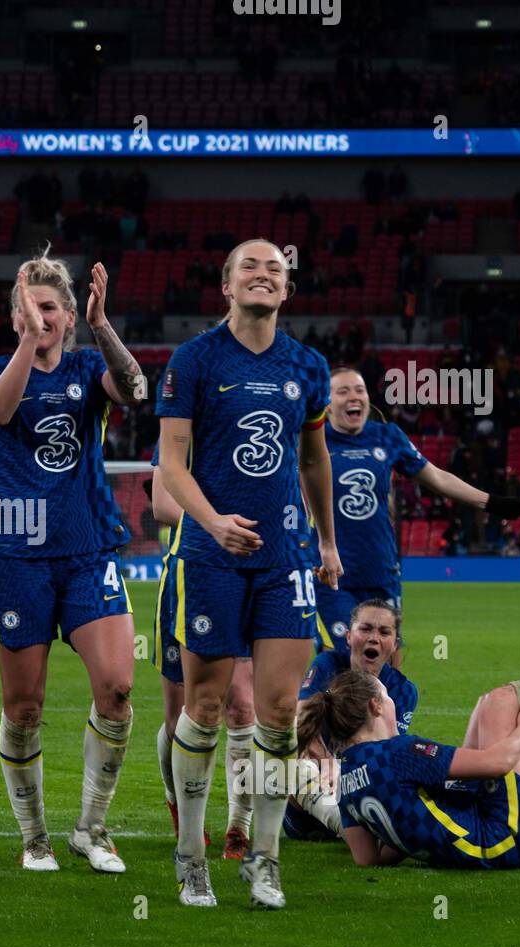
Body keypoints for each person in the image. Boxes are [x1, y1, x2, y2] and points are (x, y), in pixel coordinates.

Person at [156, 238, 341, 910]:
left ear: (286, 291)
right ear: (226, 284)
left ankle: (265, 860)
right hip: (210, 555)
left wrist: (326, 540)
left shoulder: (307, 366)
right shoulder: (194, 361)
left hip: (284, 556)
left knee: (281, 713)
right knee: (204, 708)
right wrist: (212, 523)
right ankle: (191, 858)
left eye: (277, 269)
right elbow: (172, 464)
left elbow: (315, 461)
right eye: (251, 267)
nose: (264, 275)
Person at [0, 252, 146, 873]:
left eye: (48, 309)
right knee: (25, 707)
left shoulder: (88, 363)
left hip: (87, 545)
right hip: (17, 554)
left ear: (69, 316)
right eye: (25, 308)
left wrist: (103, 326)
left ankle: (92, 828)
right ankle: (34, 835)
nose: (37, 318)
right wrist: (25, 341)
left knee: (118, 688)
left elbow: (136, 389)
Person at [301, 601, 520, 870]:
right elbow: (498, 763)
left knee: (484, 711)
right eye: (386, 697)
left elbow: (367, 859)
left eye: (384, 632)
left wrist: (411, 836)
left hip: (476, 833)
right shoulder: (399, 752)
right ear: (375, 706)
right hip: (513, 836)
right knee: (500, 704)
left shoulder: (346, 782)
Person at [316, 367, 520, 660]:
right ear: (326, 402)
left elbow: (437, 478)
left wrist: (490, 502)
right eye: (343, 391)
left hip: (381, 568)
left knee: (388, 663)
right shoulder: (311, 440)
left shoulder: (387, 436)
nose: (355, 397)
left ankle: (397, 709)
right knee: (344, 660)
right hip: (332, 574)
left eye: (360, 390)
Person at [148, 442, 256, 859]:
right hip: (188, 576)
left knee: (243, 708)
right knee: (181, 720)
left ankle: (238, 827)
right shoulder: (181, 422)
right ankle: (181, 810)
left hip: (243, 576)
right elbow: (161, 504)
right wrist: (217, 522)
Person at [287, 599, 419, 842]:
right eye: (365, 629)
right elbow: (302, 718)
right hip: (313, 793)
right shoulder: (327, 665)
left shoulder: (404, 691)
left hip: (361, 787)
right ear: (349, 636)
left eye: (384, 632)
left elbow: (388, 750)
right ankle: (351, 828)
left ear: (394, 644)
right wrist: (329, 763)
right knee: (292, 752)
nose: (374, 638)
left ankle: (362, 827)